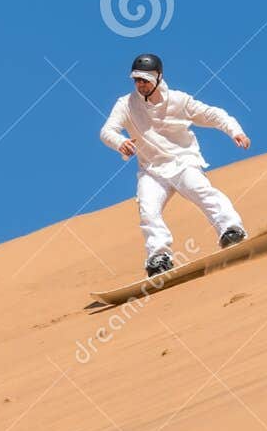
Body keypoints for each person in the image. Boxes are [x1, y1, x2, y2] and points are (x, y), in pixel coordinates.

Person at [99, 53, 251, 276]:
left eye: (145, 80)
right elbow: (107, 131)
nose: (140, 84)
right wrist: (119, 142)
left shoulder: (179, 100)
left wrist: (235, 131)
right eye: (136, 80)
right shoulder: (126, 104)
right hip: (151, 171)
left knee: (202, 191)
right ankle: (158, 257)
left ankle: (232, 230)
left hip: (182, 162)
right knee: (148, 211)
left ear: (158, 77)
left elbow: (213, 115)